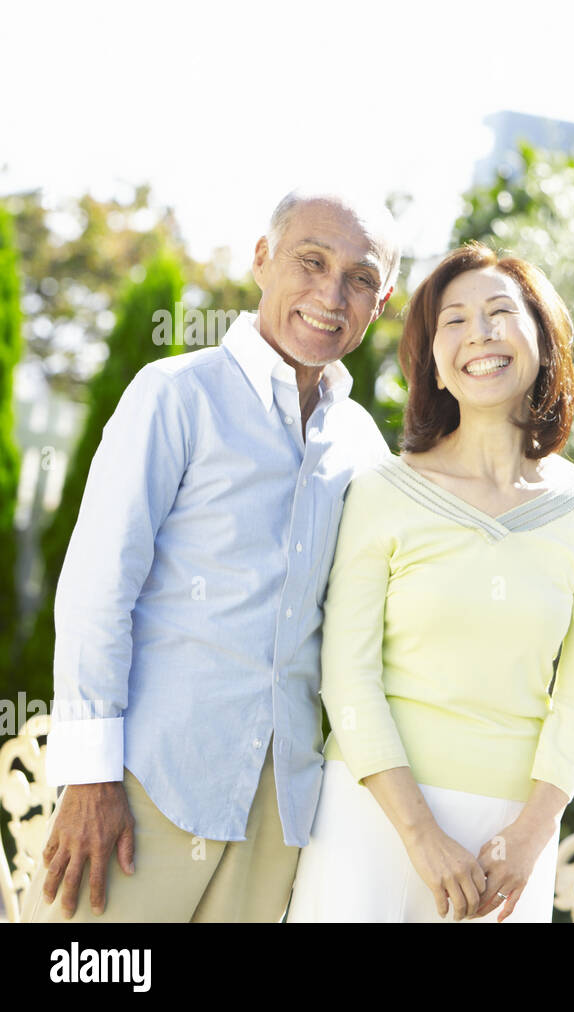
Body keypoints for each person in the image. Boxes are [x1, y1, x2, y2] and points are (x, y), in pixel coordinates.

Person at [26, 188, 399, 922]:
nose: (332, 293)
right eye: (311, 261)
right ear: (262, 259)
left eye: (360, 278)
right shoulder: (174, 395)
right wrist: (91, 779)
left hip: (279, 810)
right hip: (142, 787)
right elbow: (97, 589)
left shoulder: (364, 446)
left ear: (380, 301)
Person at [286, 242, 574, 923]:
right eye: (455, 321)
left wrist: (529, 837)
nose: (481, 334)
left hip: (510, 845)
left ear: (542, 340)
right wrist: (421, 835)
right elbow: (347, 676)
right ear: (435, 363)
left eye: (501, 313)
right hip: (371, 820)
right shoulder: (383, 489)